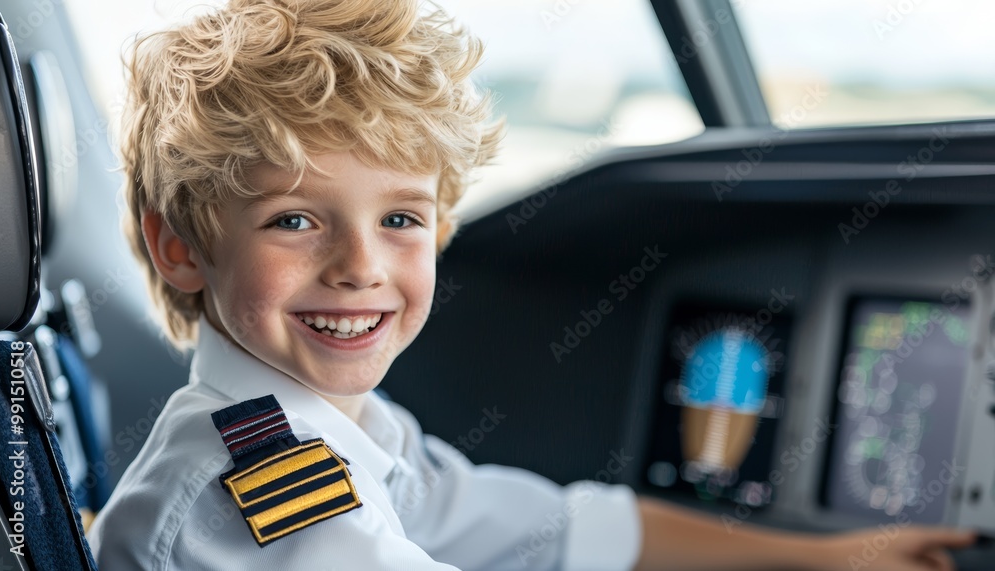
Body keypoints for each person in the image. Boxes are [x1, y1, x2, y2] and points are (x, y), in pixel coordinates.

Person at [87, 0, 977, 569]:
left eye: (400, 218)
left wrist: (822, 559)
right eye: (295, 219)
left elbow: (552, 531)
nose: (360, 265)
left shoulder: (347, 433)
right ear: (181, 250)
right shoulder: (255, 489)